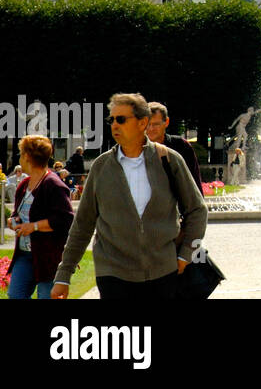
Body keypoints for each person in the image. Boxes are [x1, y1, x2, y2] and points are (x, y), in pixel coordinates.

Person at [52, 92, 207, 299]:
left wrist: (186, 253)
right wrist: (64, 274)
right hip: (113, 274)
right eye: (112, 119)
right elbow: (83, 224)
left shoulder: (169, 160)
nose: (114, 125)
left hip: (163, 272)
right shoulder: (101, 166)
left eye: (121, 119)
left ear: (143, 122)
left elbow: (197, 209)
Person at [6, 135, 74, 299]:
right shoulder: (23, 184)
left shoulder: (53, 185)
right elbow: (19, 212)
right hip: (24, 254)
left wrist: (34, 226)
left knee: (46, 296)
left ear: (28, 157)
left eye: (21, 154)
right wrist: (13, 220)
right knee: (15, 295)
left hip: (48, 258)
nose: (20, 158)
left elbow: (65, 220)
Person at [147, 101, 203, 191]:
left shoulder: (182, 146)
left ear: (166, 122)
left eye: (156, 124)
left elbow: (194, 182)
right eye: (147, 124)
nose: (151, 128)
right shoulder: (136, 149)